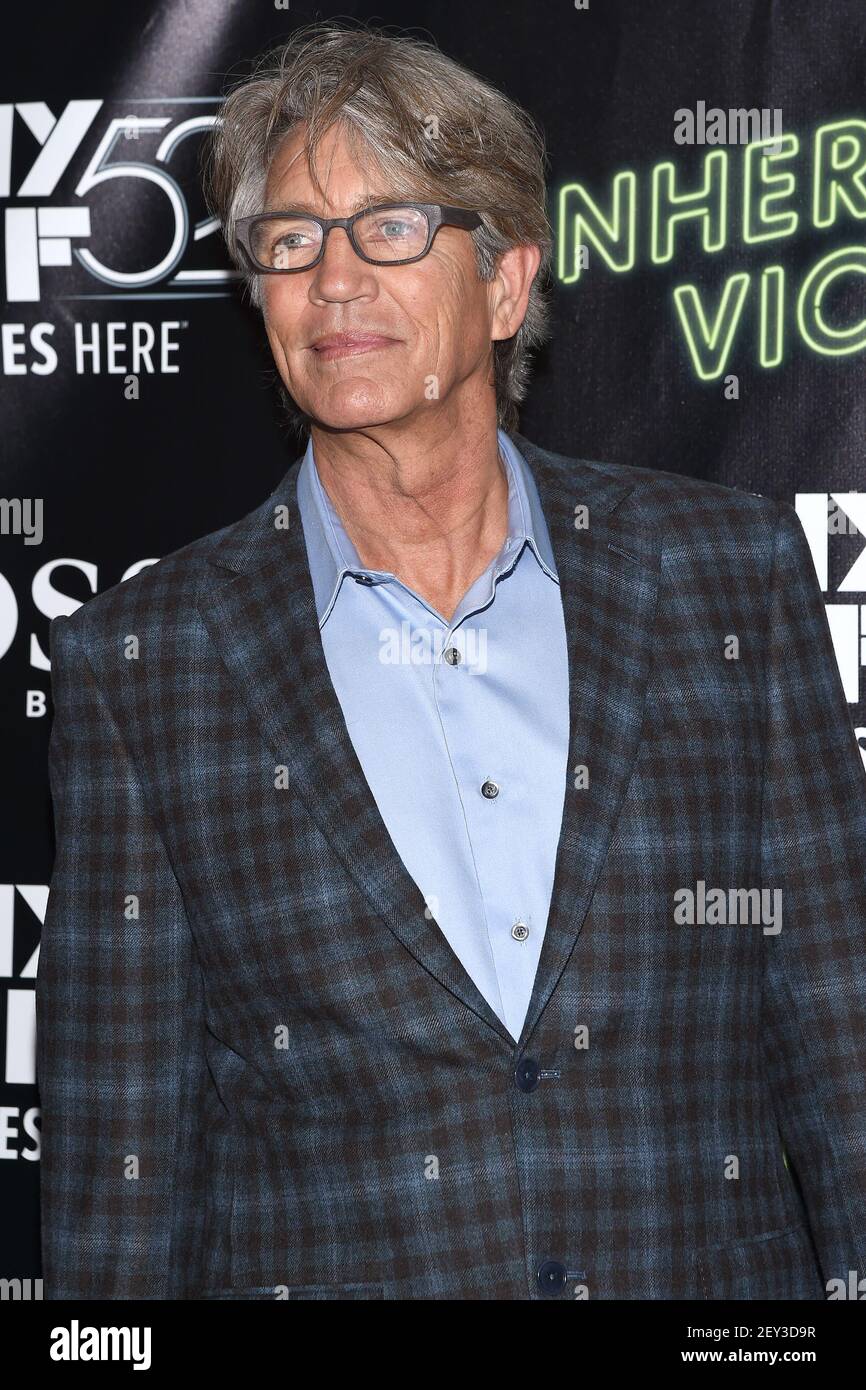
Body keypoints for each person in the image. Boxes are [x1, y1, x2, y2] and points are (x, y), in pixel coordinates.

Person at [37, 21, 866, 1300]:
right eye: (291, 240)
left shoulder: (724, 576)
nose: (334, 280)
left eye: (390, 228)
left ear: (504, 283)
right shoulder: (144, 666)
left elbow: (841, 1039)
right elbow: (122, 1183)